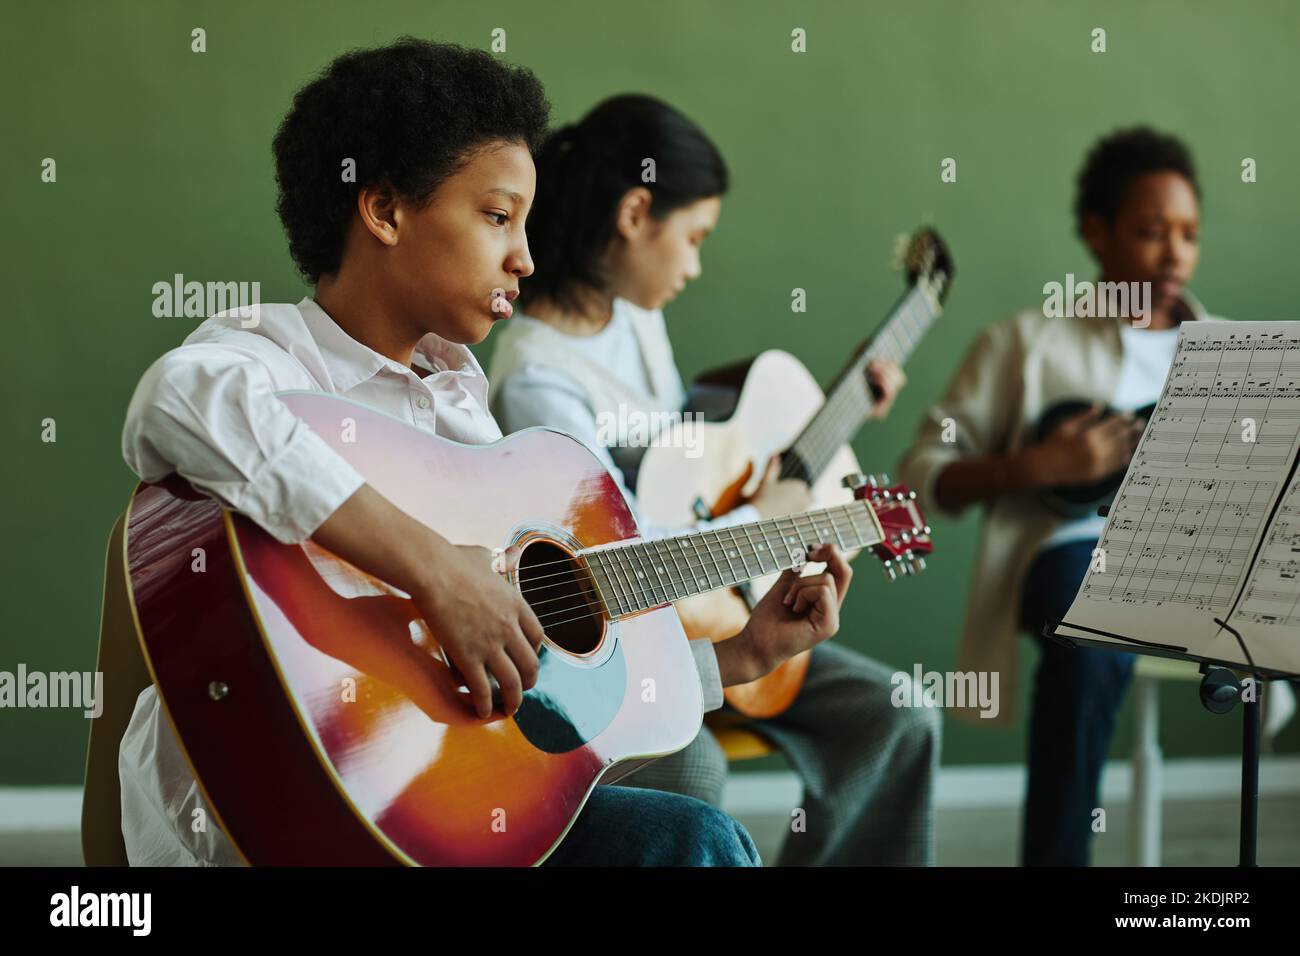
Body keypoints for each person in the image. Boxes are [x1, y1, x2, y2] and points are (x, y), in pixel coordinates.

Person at [117, 39, 853, 867]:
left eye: (527, 224)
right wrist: (434, 570)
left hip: (441, 817)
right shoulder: (272, 357)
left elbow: (549, 705)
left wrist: (741, 656)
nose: (526, 258)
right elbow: (176, 400)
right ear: (386, 211)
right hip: (264, 815)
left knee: (692, 841)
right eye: (498, 217)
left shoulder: (467, 422)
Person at [488, 94, 940, 866]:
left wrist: (838, 412)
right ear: (635, 213)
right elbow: (622, 555)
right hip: (624, 648)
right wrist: (767, 516)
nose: (696, 265)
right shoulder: (535, 380)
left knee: (903, 716)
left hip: (720, 608)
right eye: (694, 237)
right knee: (696, 764)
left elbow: (689, 461)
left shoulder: (635, 316)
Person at [897, 127, 1223, 866]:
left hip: (1204, 561)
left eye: (1189, 235)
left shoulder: (1230, 349)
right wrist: (1036, 466)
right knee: (1091, 631)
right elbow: (922, 469)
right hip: (1076, 554)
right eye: (1149, 232)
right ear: (1095, 232)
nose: (1174, 255)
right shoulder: (1022, 343)